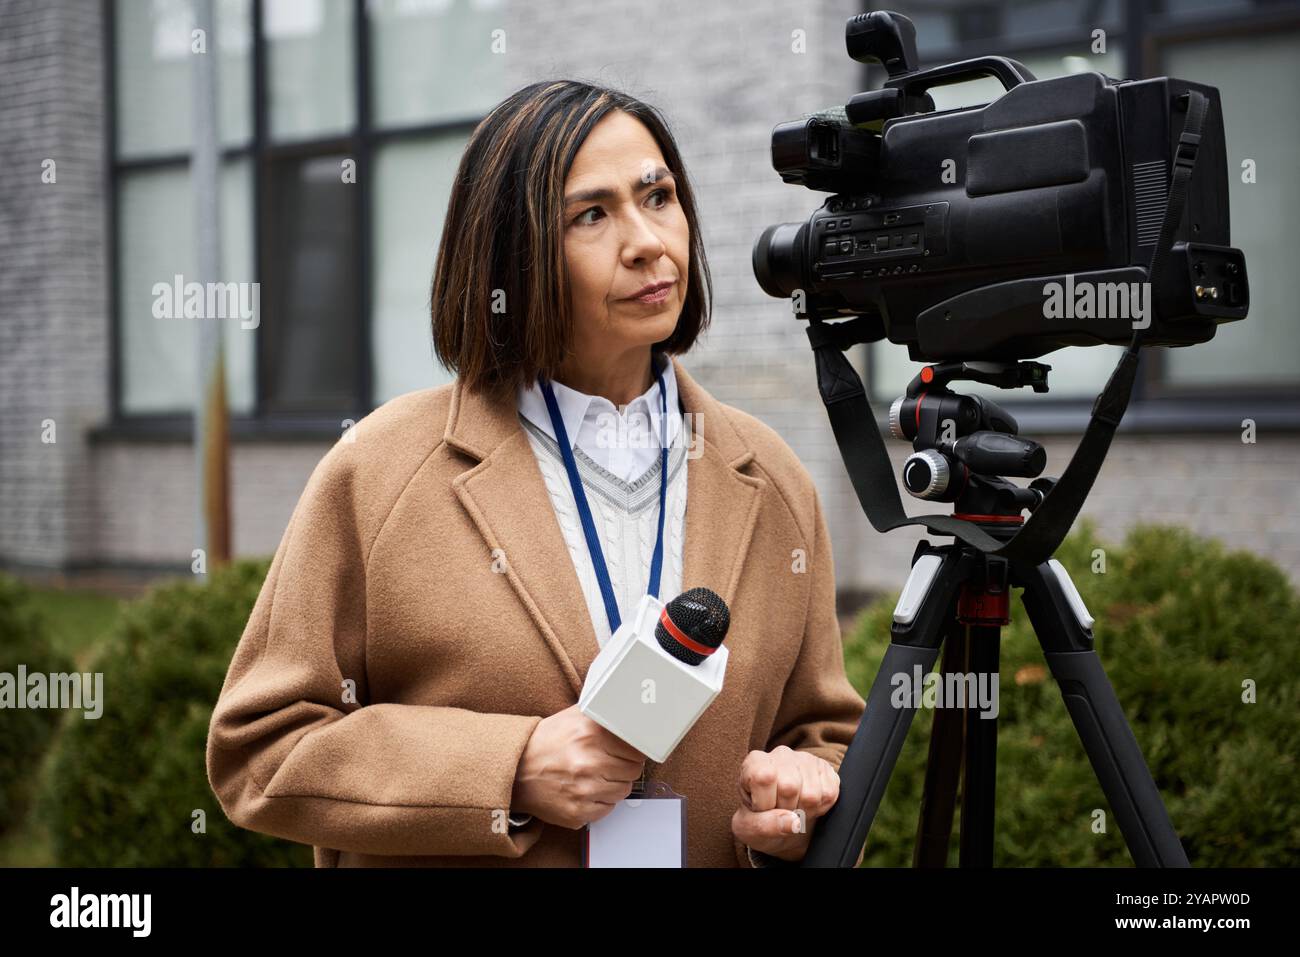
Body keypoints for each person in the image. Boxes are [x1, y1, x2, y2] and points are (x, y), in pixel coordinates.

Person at [206, 79, 866, 868]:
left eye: (658, 196)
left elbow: (821, 734)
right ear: (509, 259)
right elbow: (261, 748)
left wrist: (799, 797)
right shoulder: (378, 472)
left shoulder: (775, 478)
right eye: (592, 214)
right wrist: (510, 768)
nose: (647, 241)